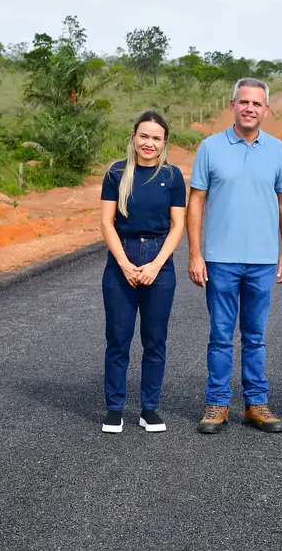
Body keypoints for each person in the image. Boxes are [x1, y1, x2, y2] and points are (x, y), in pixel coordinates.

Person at [187, 77, 282, 434]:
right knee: (220, 334)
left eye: (256, 103)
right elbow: (196, 201)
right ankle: (217, 404)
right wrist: (196, 253)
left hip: (263, 260)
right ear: (232, 105)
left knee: (255, 335)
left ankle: (255, 404)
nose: (249, 108)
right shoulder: (210, 147)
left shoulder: (277, 149)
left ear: (266, 109)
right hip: (220, 259)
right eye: (243, 102)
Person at [99, 110, 187, 434]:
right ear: (134, 137)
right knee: (118, 338)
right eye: (144, 136)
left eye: (156, 138)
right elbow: (106, 222)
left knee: (155, 339)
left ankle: (149, 408)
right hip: (121, 256)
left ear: (164, 142)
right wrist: (124, 263)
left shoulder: (173, 177)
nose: (149, 143)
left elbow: (177, 226)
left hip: (159, 260)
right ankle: (114, 408)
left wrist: (155, 265)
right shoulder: (116, 173)